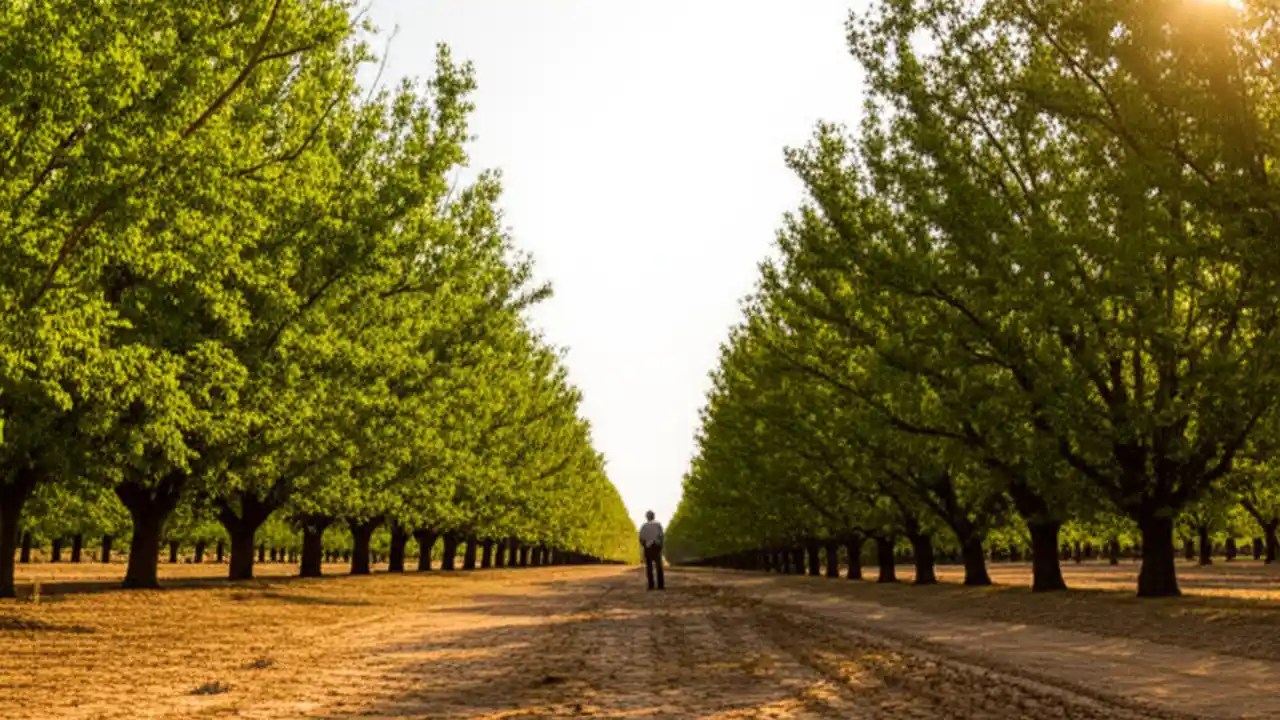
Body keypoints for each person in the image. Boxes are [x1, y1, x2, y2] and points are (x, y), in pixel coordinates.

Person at [638, 510, 665, 590]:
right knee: (659, 567)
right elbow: (661, 536)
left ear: (647, 517)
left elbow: (641, 538)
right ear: (654, 516)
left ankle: (651, 585)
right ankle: (660, 585)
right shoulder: (658, 525)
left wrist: (644, 545)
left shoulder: (644, 526)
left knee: (649, 567)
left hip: (648, 547)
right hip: (656, 546)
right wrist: (660, 546)